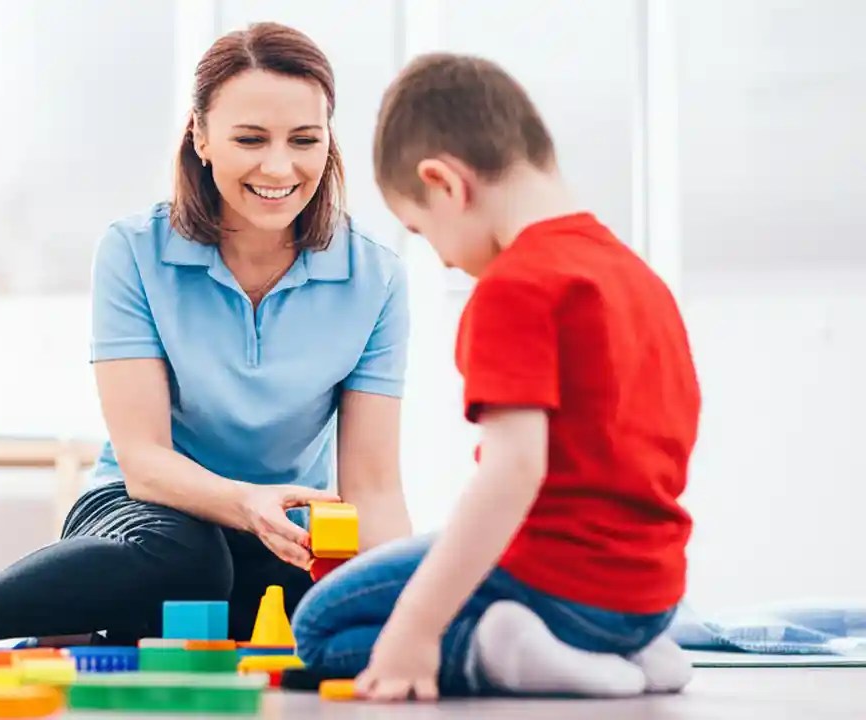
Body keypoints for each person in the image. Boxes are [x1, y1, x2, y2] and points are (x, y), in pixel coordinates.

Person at [0, 22, 413, 650]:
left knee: (322, 604)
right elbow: (145, 464)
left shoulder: (376, 276)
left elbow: (374, 490)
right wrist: (247, 501)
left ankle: (80, 618)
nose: (279, 166)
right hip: (143, 515)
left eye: (304, 139)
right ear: (200, 136)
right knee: (193, 565)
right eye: (250, 138)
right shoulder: (134, 250)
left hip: (277, 531)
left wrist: (402, 610)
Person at [291, 53, 701, 701]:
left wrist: (417, 631)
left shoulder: (516, 287)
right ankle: (627, 646)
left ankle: (498, 651)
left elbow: (513, 472)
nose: (446, 259)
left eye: (423, 231)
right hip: (651, 593)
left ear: (445, 184)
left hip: (560, 584)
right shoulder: (636, 278)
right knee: (421, 567)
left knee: (320, 626)